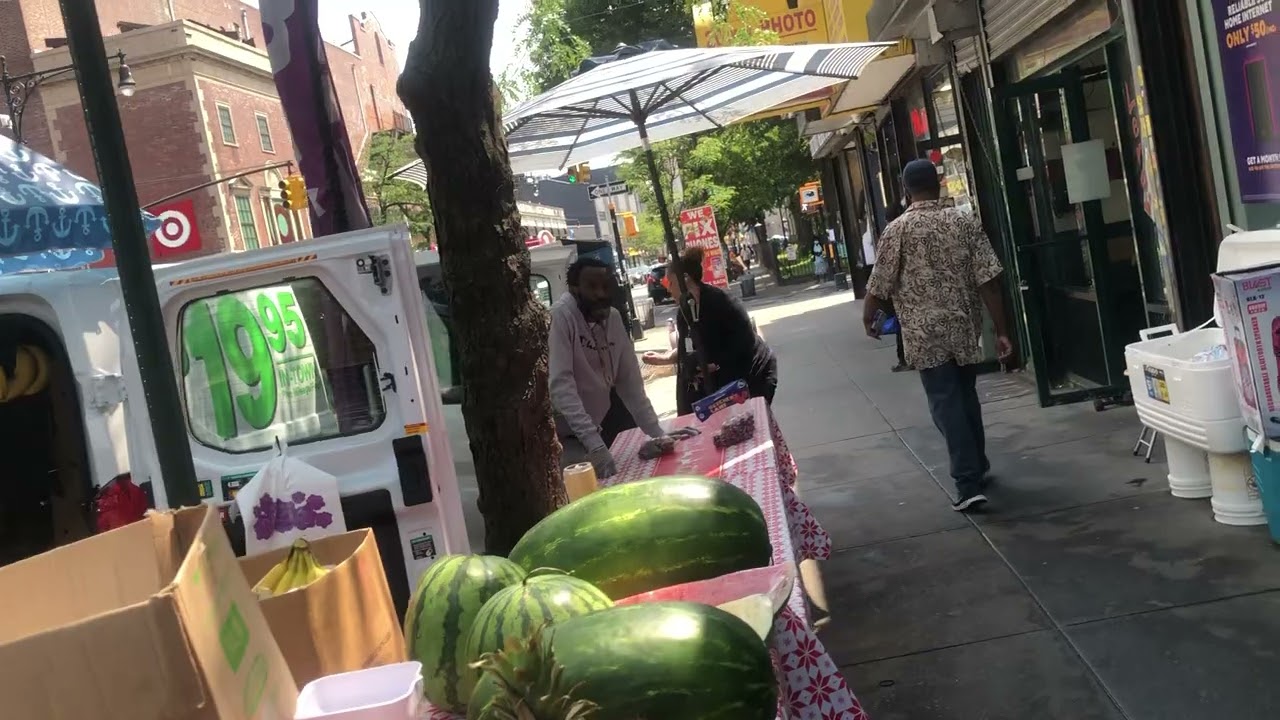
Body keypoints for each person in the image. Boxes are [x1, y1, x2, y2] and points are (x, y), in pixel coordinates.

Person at [863, 159, 1013, 512]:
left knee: (945, 404)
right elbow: (989, 281)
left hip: (925, 334)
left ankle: (967, 482)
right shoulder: (963, 221)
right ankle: (978, 466)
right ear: (939, 184)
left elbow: (879, 284)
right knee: (965, 396)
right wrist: (1003, 331)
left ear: (905, 190)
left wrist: (869, 316)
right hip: (964, 328)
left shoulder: (897, 230)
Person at [550, 257, 680, 478]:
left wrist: (657, 432)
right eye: (592, 287)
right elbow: (562, 387)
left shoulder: (614, 317)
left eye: (606, 286)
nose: (601, 294)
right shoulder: (561, 316)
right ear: (574, 289)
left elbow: (630, 383)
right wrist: (595, 445)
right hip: (563, 437)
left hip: (594, 429)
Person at [647, 248, 778, 414]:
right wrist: (665, 358)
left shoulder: (720, 302)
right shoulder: (684, 312)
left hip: (753, 374)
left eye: (669, 283)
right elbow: (687, 349)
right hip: (724, 380)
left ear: (685, 279)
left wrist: (712, 363)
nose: (668, 289)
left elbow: (742, 345)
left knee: (743, 425)